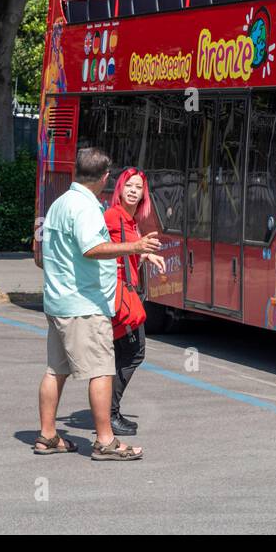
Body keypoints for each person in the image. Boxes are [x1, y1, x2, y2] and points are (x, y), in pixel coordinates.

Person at [35, 147, 161, 461]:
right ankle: (105, 442)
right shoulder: (86, 207)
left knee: (56, 371)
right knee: (102, 371)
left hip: (58, 301)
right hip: (83, 305)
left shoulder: (61, 203)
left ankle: (48, 436)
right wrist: (135, 245)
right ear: (105, 178)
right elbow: (92, 248)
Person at [103, 167, 166, 437]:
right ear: (119, 188)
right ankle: (109, 415)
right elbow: (100, 252)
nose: (133, 190)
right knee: (132, 352)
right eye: (128, 185)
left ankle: (108, 412)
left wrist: (143, 255)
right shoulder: (112, 216)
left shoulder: (129, 220)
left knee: (124, 354)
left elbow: (125, 251)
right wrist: (138, 249)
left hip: (127, 294)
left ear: (143, 194)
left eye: (138, 187)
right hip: (119, 297)